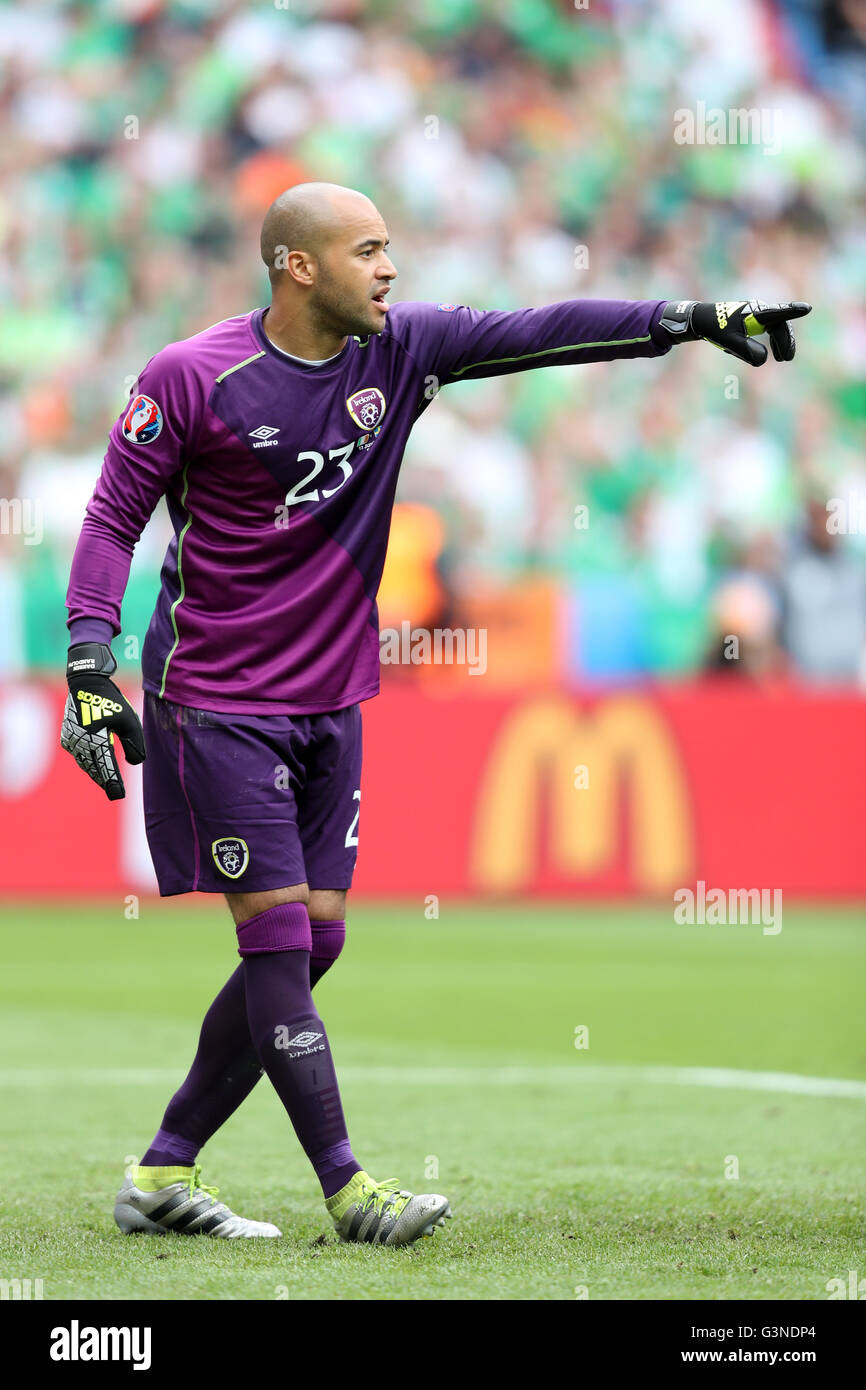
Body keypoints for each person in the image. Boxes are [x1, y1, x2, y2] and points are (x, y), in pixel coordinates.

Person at [61, 182, 811, 1246]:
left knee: (313, 943)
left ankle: (162, 1168)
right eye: (366, 250)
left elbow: (538, 331)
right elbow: (110, 517)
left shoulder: (401, 350)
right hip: (217, 699)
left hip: (333, 695)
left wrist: (684, 320)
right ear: (298, 266)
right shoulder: (193, 377)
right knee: (277, 941)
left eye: (389, 248)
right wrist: (89, 660)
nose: (390, 268)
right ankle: (348, 1186)